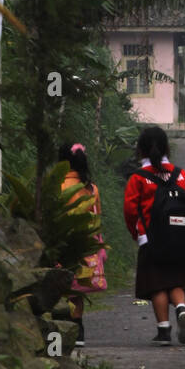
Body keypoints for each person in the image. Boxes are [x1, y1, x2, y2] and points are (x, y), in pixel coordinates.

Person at [122, 125, 185, 345]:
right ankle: (182, 308)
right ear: (166, 148)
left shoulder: (138, 178)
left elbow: (130, 209)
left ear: (141, 150)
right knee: (175, 279)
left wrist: (137, 234)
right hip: (179, 238)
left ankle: (163, 331)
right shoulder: (180, 174)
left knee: (158, 284)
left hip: (151, 238)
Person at [58, 142, 106, 347]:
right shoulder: (91, 188)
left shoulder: (57, 185)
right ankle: (78, 331)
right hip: (86, 243)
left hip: (61, 242)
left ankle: (60, 331)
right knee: (78, 288)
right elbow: (97, 216)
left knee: (61, 287)